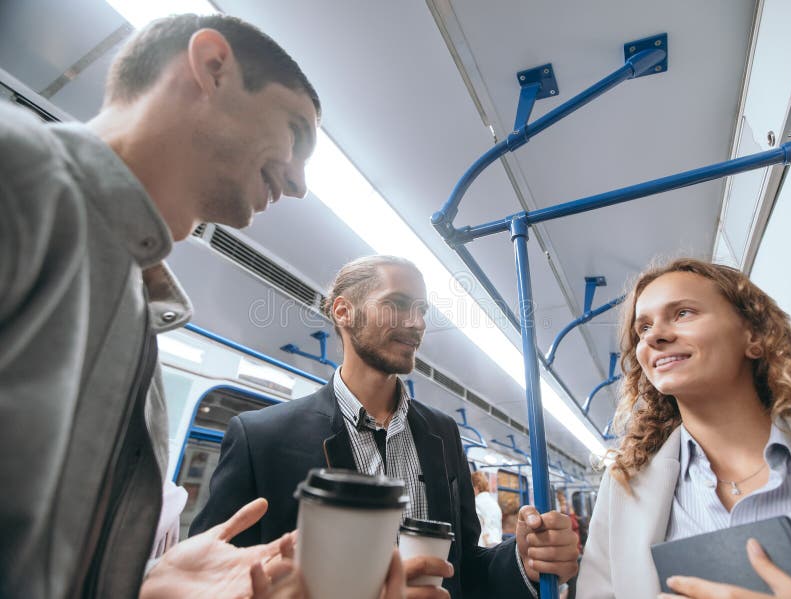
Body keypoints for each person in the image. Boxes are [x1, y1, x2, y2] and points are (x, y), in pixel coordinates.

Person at [0, 13, 323, 599]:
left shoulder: (138, 312)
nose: (299, 185)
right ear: (213, 67)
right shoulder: (16, 171)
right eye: (296, 134)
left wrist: (146, 585)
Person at [191, 255, 580, 598]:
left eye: (422, 310)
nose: (416, 323)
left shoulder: (442, 434)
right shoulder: (263, 438)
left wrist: (522, 559)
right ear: (343, 312)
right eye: (397, 304)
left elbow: (463, 569)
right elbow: (215, 582)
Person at [576, 259, 791, 599]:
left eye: (683, 313)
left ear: (753, 335)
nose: (656, 336)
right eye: (643, 328)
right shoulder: (623, 484)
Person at [471, 471, 502, 547]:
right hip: (497, 543)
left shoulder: (476, 503)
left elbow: (479, 529)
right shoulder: (494, 503)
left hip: (484, 545)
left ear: (476, 488)